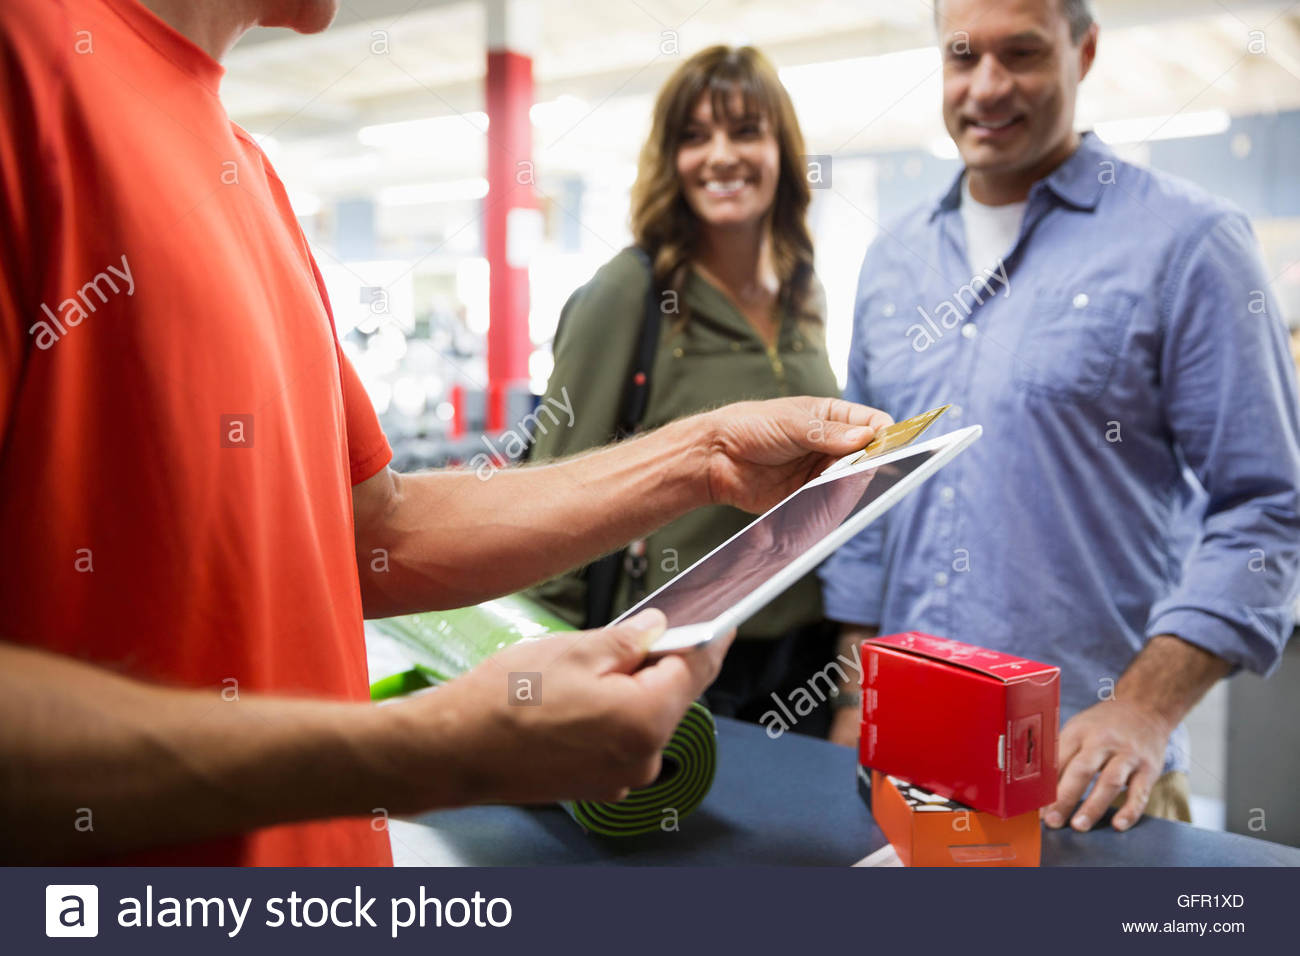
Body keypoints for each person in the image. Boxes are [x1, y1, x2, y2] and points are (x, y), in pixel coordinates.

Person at [0, 0, 892, 865]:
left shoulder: (246, 170)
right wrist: (428, 748)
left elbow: (372, 532)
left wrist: (705, 455)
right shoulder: (27, 67)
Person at [819, 0, 1300, 833]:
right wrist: (854, 692)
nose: (987, 86)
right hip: (906, 765)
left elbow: (1269, 508)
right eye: (963, 56)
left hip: (1089, 785)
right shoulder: (892, 259)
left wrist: (1145, 711)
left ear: (1086, 50)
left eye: (1024, 53)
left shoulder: (1187, 243)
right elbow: (866, 495)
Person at [526, 46, 848, 737]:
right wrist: (543, 679)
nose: (721, 156)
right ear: (670, 159)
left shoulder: (804, 296)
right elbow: (551, 493)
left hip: (805, 653)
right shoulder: (630, 293)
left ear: (781, 151)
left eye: (745, 131)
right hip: (679, 659)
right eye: (694, 137)